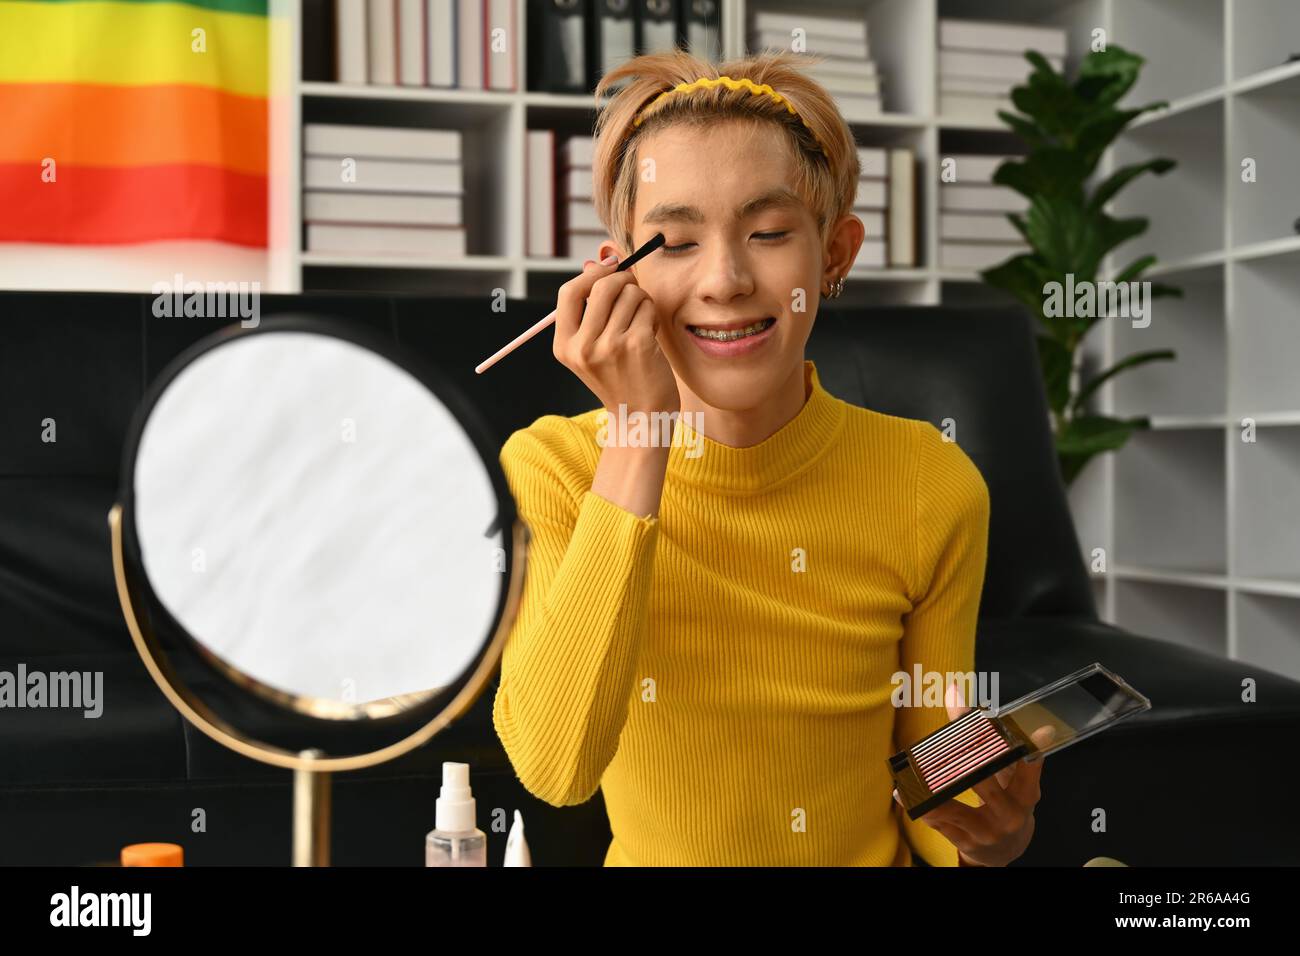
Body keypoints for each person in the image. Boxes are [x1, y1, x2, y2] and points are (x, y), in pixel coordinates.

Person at [491, 48, 1044, 866]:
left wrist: (988, 840)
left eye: (770, 232)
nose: (725, 278)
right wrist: (639, 433)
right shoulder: (554, 468)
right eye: (674, 243)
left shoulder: (930, 480)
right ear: (620, 273)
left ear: (834, 255)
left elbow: (932, 768)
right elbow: (555, 768)